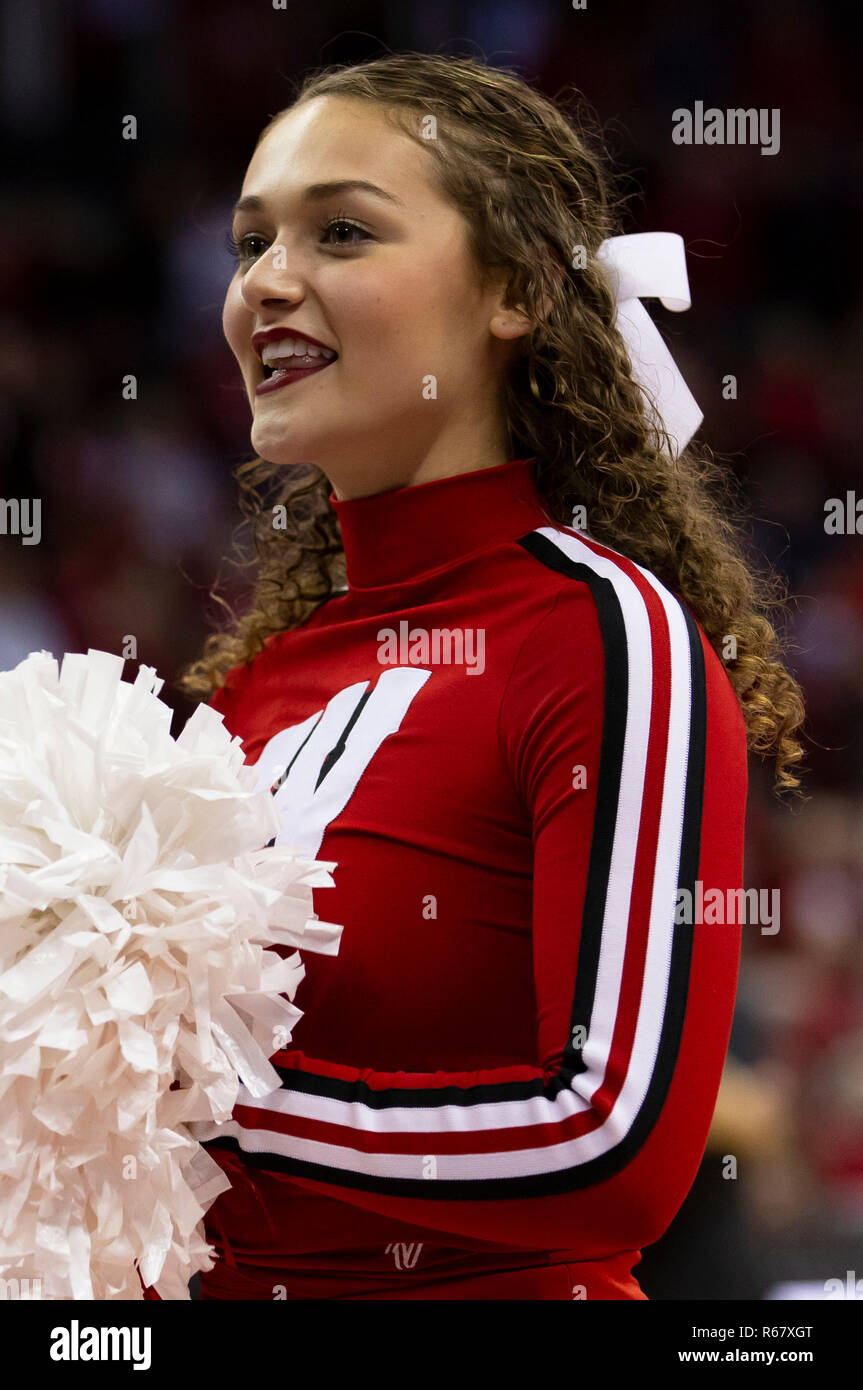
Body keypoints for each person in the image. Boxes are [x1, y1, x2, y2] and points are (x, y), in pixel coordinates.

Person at [145, 51, 805, 1300]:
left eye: (340, 231)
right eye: (248, 243)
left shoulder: (602, 635)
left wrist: (203, 1101)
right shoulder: (250, 689)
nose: (266, 284)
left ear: (510, 292)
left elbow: (613, 1148)